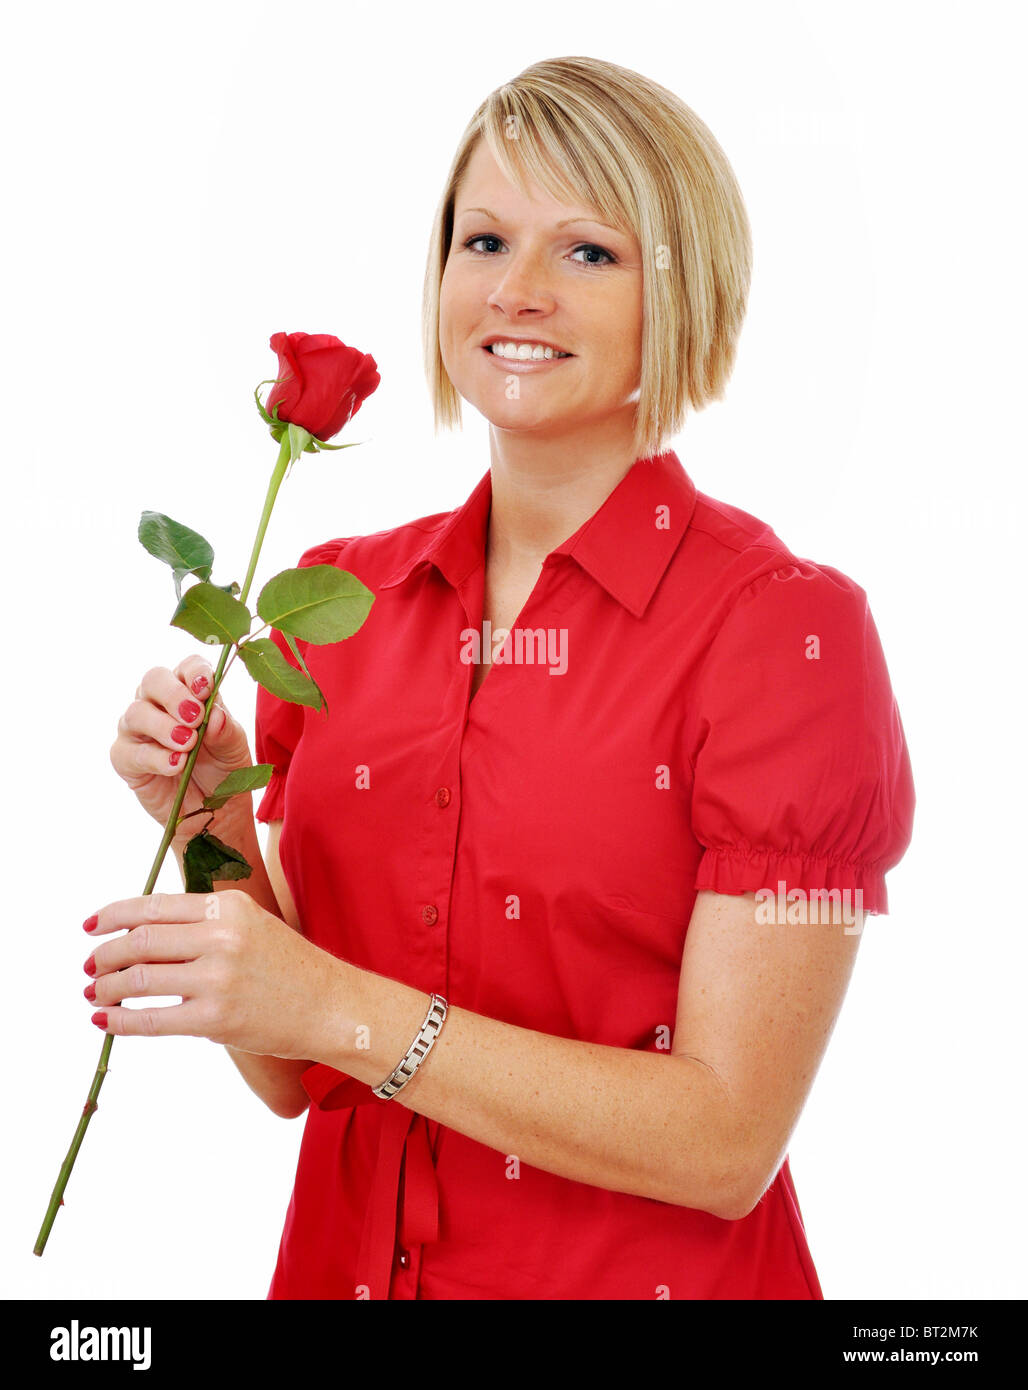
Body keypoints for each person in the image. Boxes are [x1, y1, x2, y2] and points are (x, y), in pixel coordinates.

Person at [101, 55, 915, 1300]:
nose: (517, 291)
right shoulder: (336, 604)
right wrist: (207, 805)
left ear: (678, 292)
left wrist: (334, 1009)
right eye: (483, 240)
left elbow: (724, 1143)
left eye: (587, 252)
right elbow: (293, 1071)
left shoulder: (783, 636)